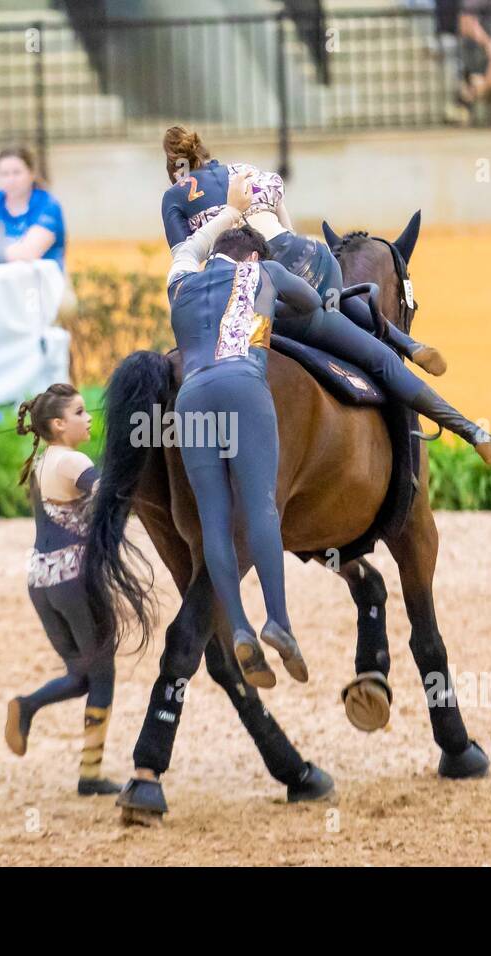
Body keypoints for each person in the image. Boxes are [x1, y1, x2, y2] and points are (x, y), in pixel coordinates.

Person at [160, 127, 491, 468]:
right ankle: (466, 423)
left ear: (175, 170)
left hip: (269, 287)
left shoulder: (175, 197)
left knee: (310, 314)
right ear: (206, 154)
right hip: (315, 259)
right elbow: (287, 230)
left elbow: (189, 260)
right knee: (376, 351)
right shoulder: (249, 171)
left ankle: (406, 351)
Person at [163, 173, 316, 688]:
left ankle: (240, 628)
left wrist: (225, 216)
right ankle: (278, 619)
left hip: (192, 396)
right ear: (252, 255)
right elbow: (311, 301)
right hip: (244, 385)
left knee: (214, 521)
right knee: (260, 508)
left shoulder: (182, 280)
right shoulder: (264, 271)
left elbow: (189, 248)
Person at [5, 384, 121, 796]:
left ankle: (28, 705)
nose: (88, 419)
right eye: (79, 412)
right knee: (102, 672)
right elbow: (112, 496)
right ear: (58, 424)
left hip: (41, 581)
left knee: (80, 674)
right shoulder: (72, 461)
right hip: (74, 579)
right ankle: (90, 775)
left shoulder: (42, 461)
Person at [0, 146, 67, 272]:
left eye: (17, 173)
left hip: (40, 281)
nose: (11, 180)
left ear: (32, 174)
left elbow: (29, 253)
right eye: (4, 174)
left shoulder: (46, 204)